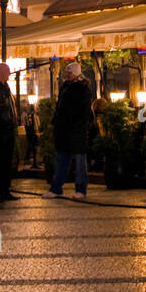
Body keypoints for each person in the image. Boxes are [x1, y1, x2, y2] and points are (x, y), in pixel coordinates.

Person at [45, 61, 94, 200]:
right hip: (64, 130)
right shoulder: (66, 87)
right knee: (61, 160)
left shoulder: (82, 89)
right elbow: (60, 108)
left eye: (69, 72)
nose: (67, 75)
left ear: (76, 74)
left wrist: (76, 124)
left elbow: (83, 112)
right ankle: (56, 188)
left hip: (76, 130)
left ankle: (80, 189)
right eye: (66, 72)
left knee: (78, 162)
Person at [0, 63, 19, 201]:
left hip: (7, 130)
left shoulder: (5, 88)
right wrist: (8, 122)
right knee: (1, 162)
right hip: (2, 131)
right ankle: (1, 190)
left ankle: (4, 189)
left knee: (6, 162)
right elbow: (0, 110)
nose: (9, 73)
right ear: (1, 72)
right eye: (7, 71)